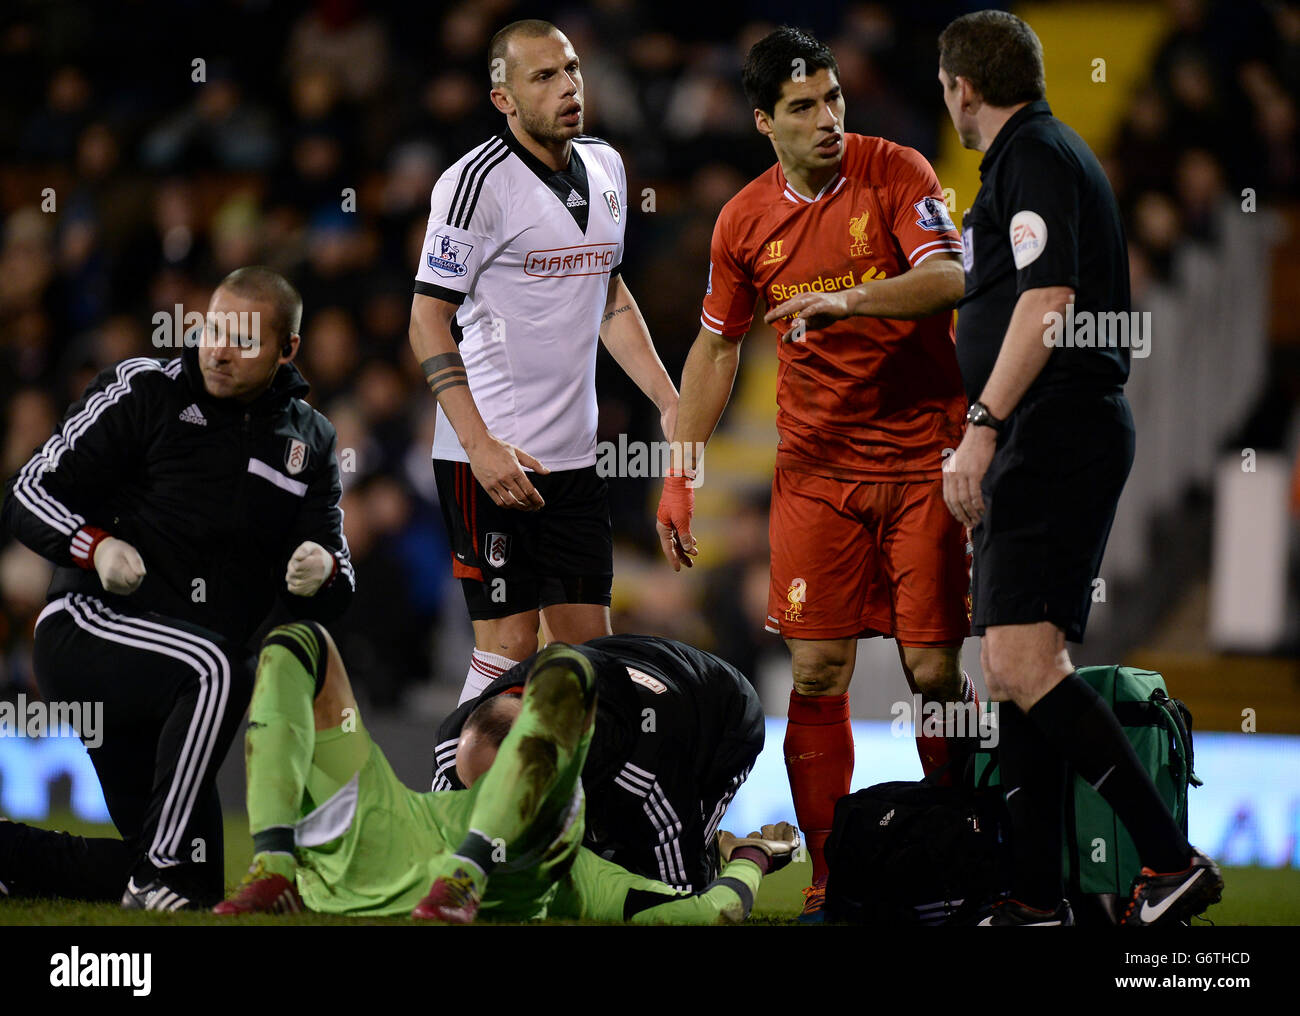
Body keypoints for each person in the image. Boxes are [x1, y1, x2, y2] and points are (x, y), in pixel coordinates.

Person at [655, 26, 975, 920]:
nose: (828, 118)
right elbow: (716, 350)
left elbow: (950, 279)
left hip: (922, 457)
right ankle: (836, 883)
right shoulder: (743, 221)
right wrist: (680, 473)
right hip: (816, 471)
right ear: (764, 121)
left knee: (934, 672)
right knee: (820, 668)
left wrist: (850, 298)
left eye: (833, 98)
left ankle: (966, 849)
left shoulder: (899, 170)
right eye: (804, 107)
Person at [935, 9, 1222, 926]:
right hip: (1044, 430)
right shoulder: (1037, 156)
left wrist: (982, 426)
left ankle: (1169, 860)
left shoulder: (1034, 157)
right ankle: (1033, 895)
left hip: (1053, 429)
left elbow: (1049, 297)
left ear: (961, 89)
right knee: (1011, 665)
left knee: (1023, 660)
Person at [0, 266, 354, 910]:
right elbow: (27, 491)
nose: (219, 349)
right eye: (213, 329)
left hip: (183, 679)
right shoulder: (143, 391)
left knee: (192, 882)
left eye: (243, 339)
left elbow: (338, 574)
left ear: (288, 351)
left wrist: (322, 572)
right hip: (91, 625)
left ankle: (15, 857)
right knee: (222, 668)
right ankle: (156, 872)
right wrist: (94, 545)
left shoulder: (312, 440)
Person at [408, 19, 678, 705]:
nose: (568, 87)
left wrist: (667, 398)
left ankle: (570, 812)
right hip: (489, 458)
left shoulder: (608, 167)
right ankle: (456, 790)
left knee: (588, 656)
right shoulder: (474, 185)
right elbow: (426, 319)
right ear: (503, 98)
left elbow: (609, 295)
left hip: (575, 462)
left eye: (573, 70)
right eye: (544, 76)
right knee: (510, 647)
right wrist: (482, 447)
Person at [213, 622, 798, 924]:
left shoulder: (639, 772)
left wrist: (741, 859)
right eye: (476, 792)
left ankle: (466, 872)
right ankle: (273, 861)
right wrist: (753, 863)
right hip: (582, 699)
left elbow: (690, 895)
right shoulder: (458, 747)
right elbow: (708, 912)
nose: (479, 801)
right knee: (298, 642)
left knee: (677, 871)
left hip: (712, 715)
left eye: (511, 786)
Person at [432, 633, 765, 891]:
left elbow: (682, 891)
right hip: (624, 673)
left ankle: (750, 851)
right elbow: (432, 857)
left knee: (649, 875)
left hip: (720, 715)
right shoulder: (454, 747)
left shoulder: (645, 770)